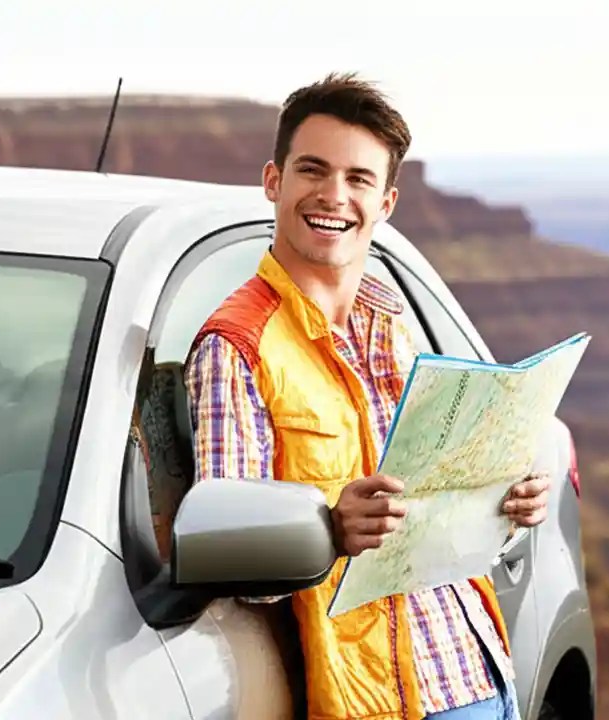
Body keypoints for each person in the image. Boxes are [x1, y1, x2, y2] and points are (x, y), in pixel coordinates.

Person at [183, 73, 550, 720]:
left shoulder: (395, 329)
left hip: (479, 668)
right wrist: (327, 530)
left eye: (358, 179)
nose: (334, 196)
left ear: (386, 202)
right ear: (273, 181)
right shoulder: (236, 348)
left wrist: (508, 498)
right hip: (381, 702)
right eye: (313, 170)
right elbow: (231, 559)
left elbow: (440, 501)